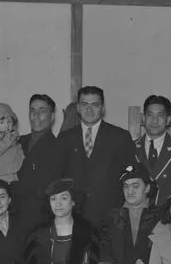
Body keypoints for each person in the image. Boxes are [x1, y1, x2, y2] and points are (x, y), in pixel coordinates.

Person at [58, 86, 137, 226]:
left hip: (111, 217)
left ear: (103, 108)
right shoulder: (65, 138)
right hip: (75, 217)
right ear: (77, 107)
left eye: (95, 104)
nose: (89, 109)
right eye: (84, 104)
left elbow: (130, 176)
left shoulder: (120, 137)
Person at [98, 163, 161, 264]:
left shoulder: (161, 217)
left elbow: (162, 248)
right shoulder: (111, 217)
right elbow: (103, 249)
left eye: (135, 186)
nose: (130, 191)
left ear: (148, 188)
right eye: (126, 186)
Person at [27, 178, 98, 264]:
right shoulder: (39, 233)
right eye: (53, 199)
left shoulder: (88, 231)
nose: (58, 204)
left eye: (64, 198)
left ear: (73, 201)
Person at [17, 93, 66, 224]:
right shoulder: (19, 141)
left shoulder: (58, 147)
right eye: (32, 111)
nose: (36, 116)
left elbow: (44, 187)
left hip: (40, 218)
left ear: (52, 117)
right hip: (14, 215)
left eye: (42, 111)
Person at [134, 94, 171, 206]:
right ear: (143, 118)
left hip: (169, 216)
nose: (154, 121)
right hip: (137, 216)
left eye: (160, 115)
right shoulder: (130, 148)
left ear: (168, 120)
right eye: (150, 115)